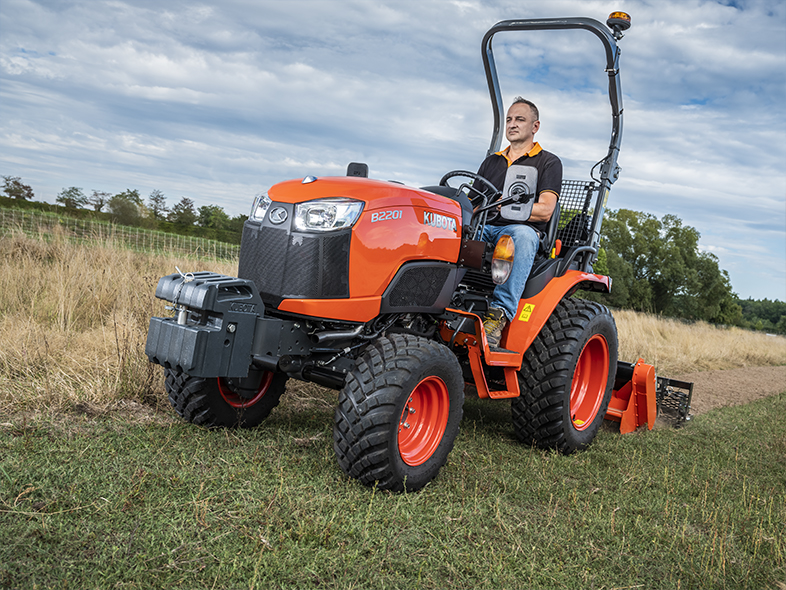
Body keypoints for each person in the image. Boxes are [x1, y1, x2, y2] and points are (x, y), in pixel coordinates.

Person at [476, 97, 562, 348]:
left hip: (520, 229)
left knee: (521, 236)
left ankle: (498, 313)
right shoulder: (491, 161)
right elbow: (474, 202)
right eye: (509, 120)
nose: (512, 125)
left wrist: (510, 207)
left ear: (535, 126)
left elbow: (546, 210)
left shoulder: (548, 162)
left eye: (520, 120)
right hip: (486, 225)